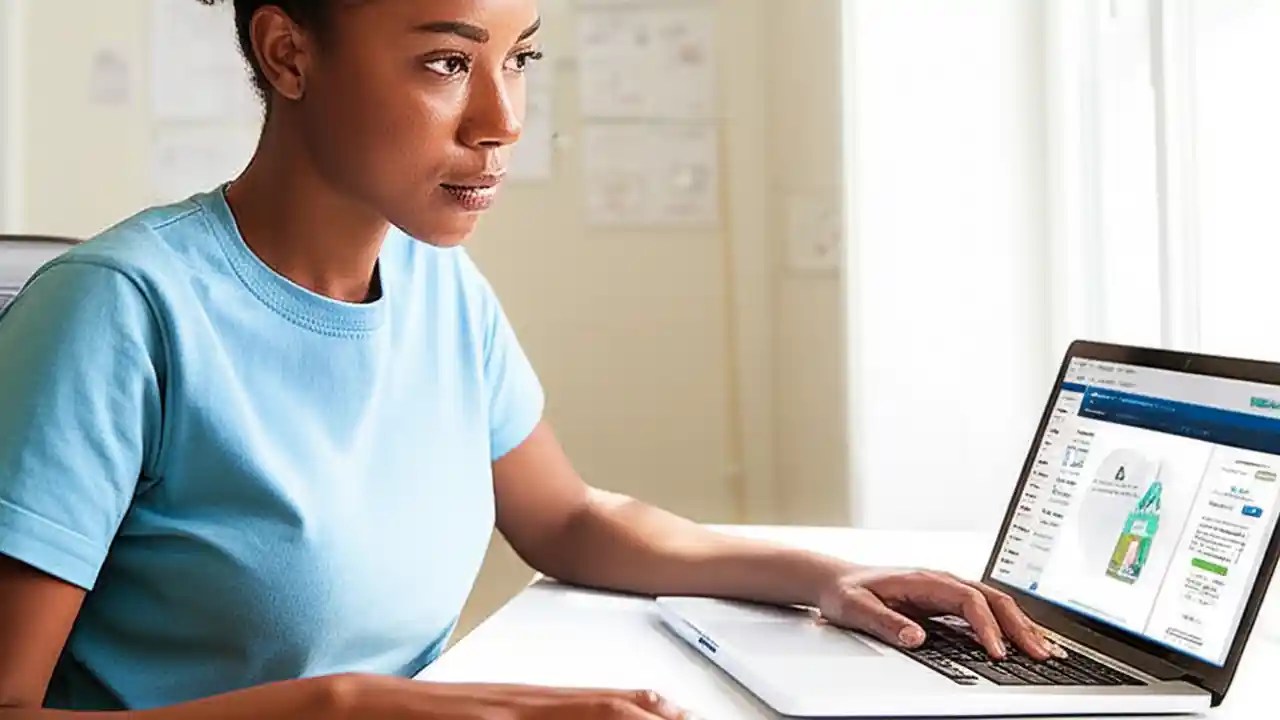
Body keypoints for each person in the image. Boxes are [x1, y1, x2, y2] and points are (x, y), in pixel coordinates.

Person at [0, 1, 1061, 717]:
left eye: (520, 60)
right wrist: (350, 703)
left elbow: (566, 519)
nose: (502, 120)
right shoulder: (118, 314)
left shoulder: (437, 289)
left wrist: (825, 577)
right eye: (445, 63)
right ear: (288, 55)